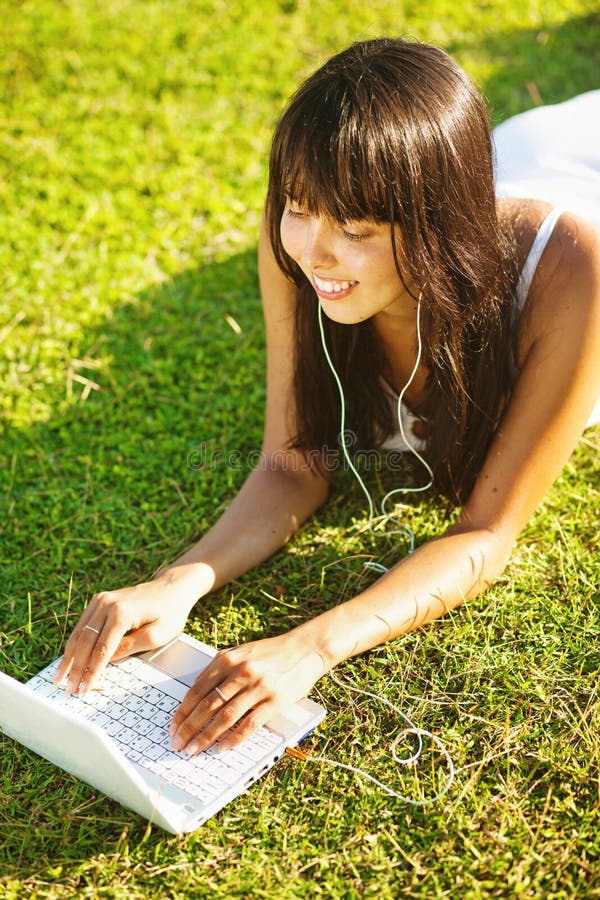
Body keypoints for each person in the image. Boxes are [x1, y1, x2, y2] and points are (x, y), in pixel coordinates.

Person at [55, 38, 600, 756]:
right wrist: (178, 583)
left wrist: (312, 646)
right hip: (495, 154)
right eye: (300, 209)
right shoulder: (301, 242)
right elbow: (294, 462)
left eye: (354, 230)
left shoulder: (571, 275)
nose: (313, 254)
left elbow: (485, 533)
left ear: (437, 226)